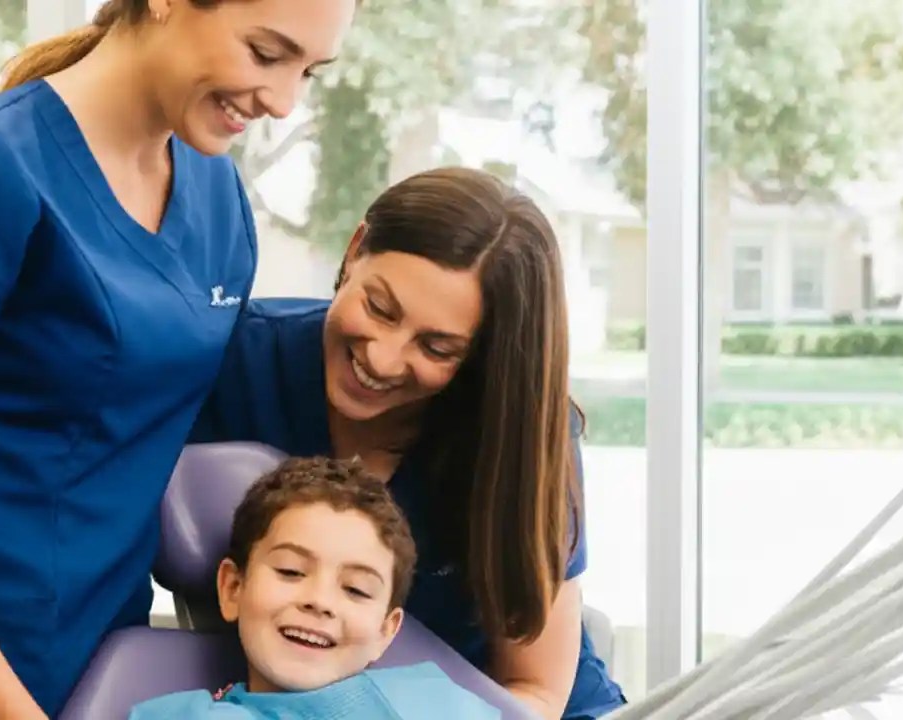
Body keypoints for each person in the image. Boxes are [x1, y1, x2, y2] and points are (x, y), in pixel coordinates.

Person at [0, 1, 355, 718]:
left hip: (95, 670)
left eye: (308, 70)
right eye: (266, 53)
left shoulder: (219, 198)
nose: (283, 100)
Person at [189, 167, 628, 719]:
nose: (383, 358)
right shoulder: (237, 367)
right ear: (354, 250)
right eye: (379, 308)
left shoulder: (519, 430)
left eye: (437, 347)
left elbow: (535, 691)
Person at [128, 456, 500, 720]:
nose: (320, 602)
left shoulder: (435, 703)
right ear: (233, 588)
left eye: (355, 590)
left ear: (386, 631)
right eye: (291, 571)